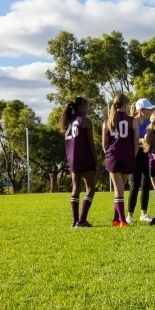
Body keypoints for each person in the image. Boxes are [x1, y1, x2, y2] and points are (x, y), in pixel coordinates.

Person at [102, 92, 139, 227]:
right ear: (125, 105)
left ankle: (117, 218)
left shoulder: (107, 121)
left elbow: (104, 145)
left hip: (113, 157)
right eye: (128, 104)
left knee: (119, 189)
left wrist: (110, 155)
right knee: (120, 188)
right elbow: (136, 144)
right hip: (127, 156)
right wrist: (131, 156)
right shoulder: (132, 121)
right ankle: (122, 220)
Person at [60, 96, 97, 228]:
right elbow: (91, 144)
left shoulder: (67, 121)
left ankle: (75, 221)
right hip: (85, 157)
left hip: (72, 159)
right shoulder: (85, 121)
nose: (88, 109)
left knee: (75, 189)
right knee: (91, 188)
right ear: (81, 108)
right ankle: (82, 220)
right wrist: (96, 160)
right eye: (87, 107)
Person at [127, 98, 154, 224]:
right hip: (135, 155)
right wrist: (141, 141)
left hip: (146, 155)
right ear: (140, 109)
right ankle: (129, 215)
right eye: (148, 109)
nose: (150, 111)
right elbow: (129, 139)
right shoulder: (132, 122)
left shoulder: (149, 123)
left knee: (145, 185)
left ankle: (143, 213)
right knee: (134, 185)